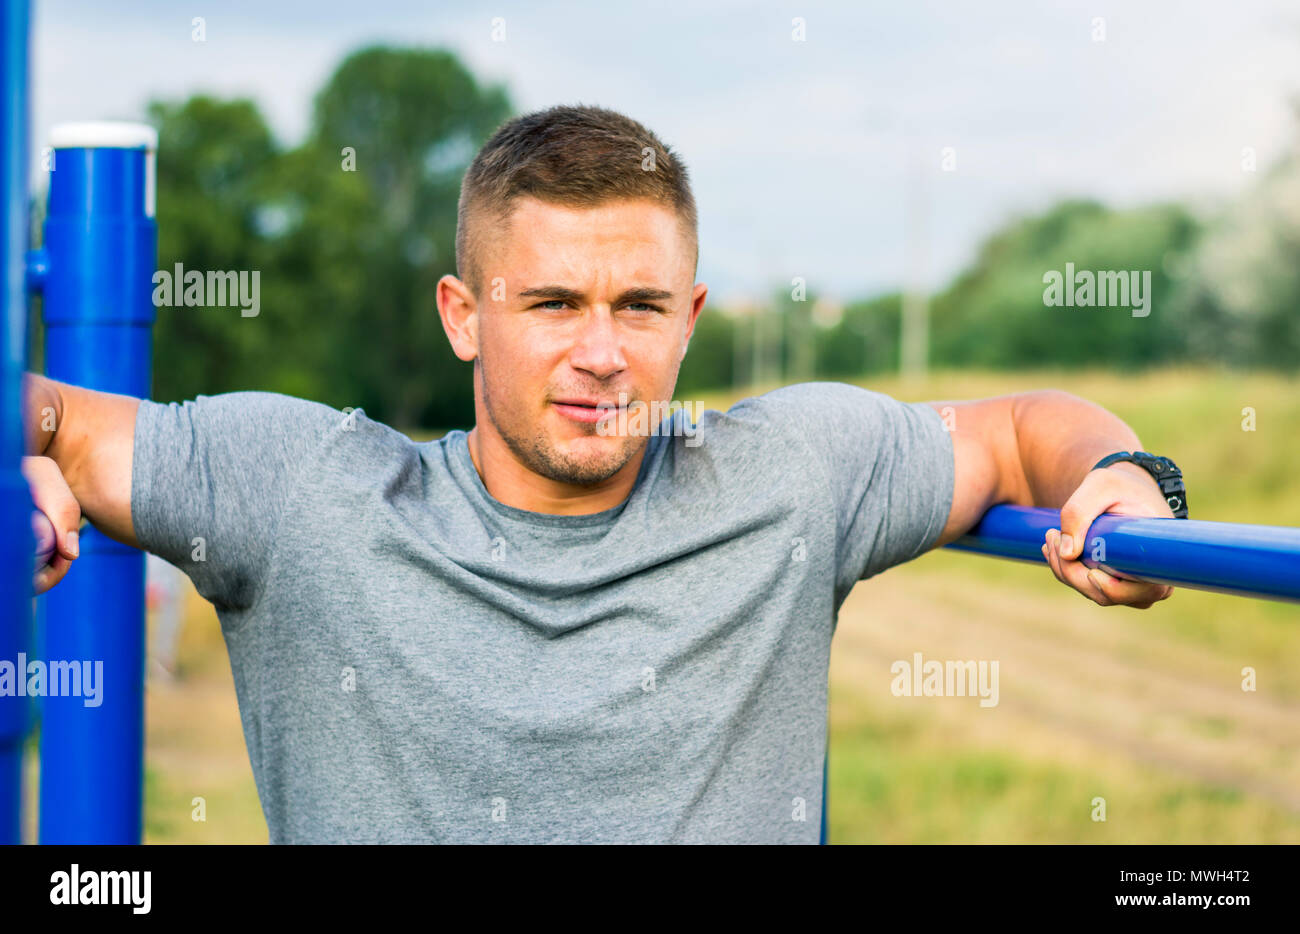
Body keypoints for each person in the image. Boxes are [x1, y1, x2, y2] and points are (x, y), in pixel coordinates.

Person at [17, 104, 1177, 844]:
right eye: (553, 303)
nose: (602, 351)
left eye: (640, 305)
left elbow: (1024, 427)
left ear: (691, 318)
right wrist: (24, 460)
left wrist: (1125, 473)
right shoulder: (302, 492)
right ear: (464, 316)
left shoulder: (786, 475)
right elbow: (51, 412)